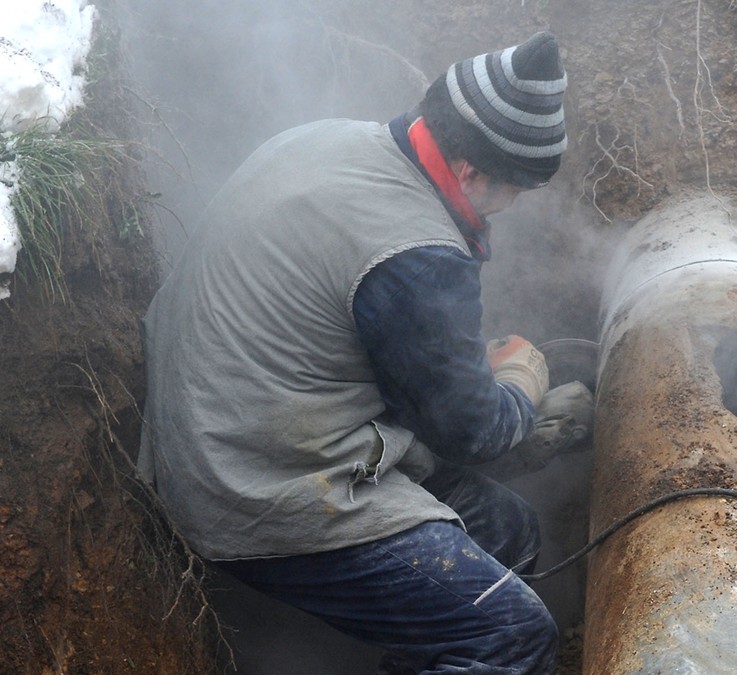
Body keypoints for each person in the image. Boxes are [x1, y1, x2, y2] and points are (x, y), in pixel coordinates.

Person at [138, 32, 581, 674]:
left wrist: (455, 367)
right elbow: (471, 432)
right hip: (257, 488)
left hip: (207, 432)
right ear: (471, 170)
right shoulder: (417, 255)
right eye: (516, 187)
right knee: (509, 635)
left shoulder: (329, 139)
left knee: (508, 529)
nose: (511, 206)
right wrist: (518, 387)